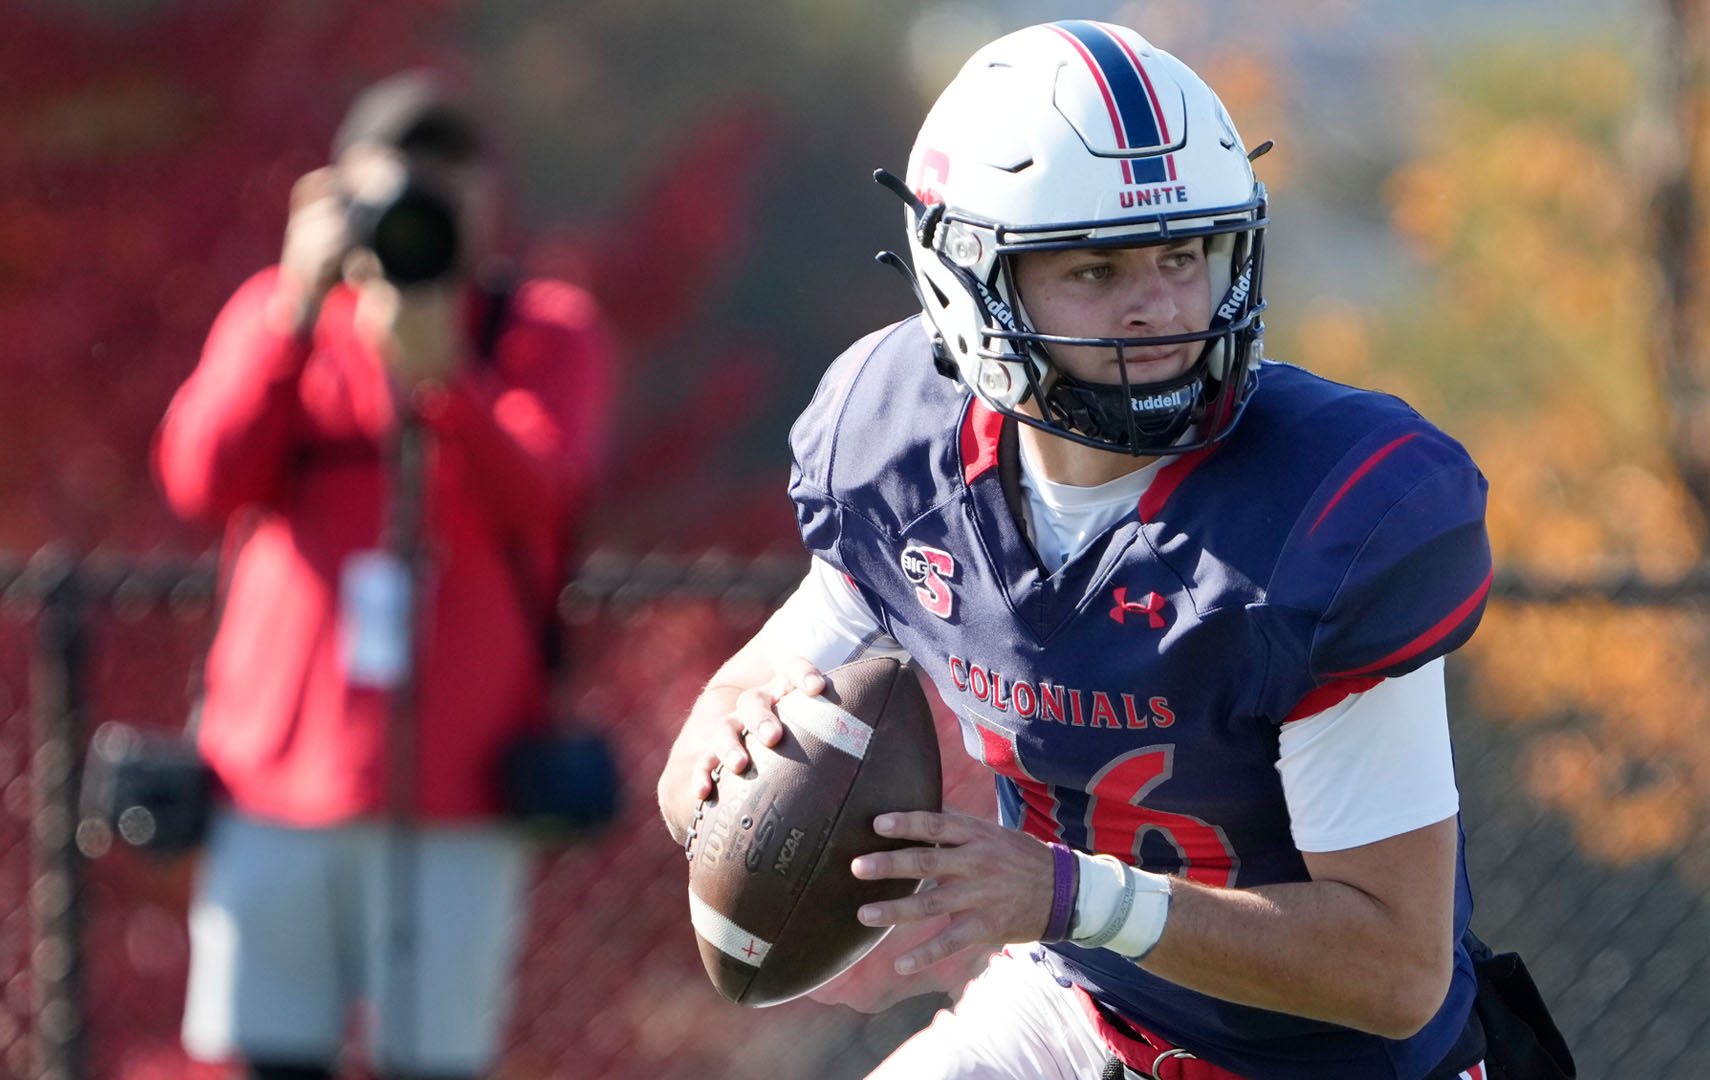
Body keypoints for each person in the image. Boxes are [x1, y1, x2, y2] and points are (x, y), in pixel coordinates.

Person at [658, 21, 1553, 1080]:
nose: (1163, 309)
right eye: (1096, 270)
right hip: (1078, 1006)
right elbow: (716, 747)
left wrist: (1063, 894)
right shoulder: (901, 446)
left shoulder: (1329, 517)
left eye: (1184, 255)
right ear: (967, 280)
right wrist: (738, 773)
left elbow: (1397, 973)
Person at [156, 71, 614, 1080]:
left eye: (448, 184)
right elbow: (198, 478)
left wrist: (444, 376)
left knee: (435, 1063)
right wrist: (292, 314)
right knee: (264, 1057)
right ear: (332, 194)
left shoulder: (541, 330)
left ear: (489, 200)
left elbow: (546, 491)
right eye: (395, 182)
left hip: (459, 787)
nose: (422, 208)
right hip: (272, 780)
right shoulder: (279, 312)